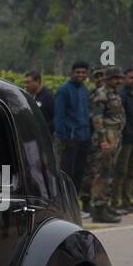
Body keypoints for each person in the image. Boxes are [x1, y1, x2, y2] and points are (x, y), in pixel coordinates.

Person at [84, 67, 125, 223]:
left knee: (108, 173)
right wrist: (102, 140)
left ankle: (104, 204)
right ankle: (98, 209)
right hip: (105, 140)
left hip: (113, 138)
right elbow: (97, 119)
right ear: (108, 79)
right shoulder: (101, 94)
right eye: (115, 78)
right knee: (101, 174)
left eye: (120, 78)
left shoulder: (113, 94)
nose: (119, 81)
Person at [54, 61, 92, 212]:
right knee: (67, 173)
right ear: (72, 73)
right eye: (78, 72)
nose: (81, 75)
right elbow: (59, 116)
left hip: (84, 137)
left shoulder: (84, 90)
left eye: (83, 73)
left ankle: (73, 205)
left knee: (79, 173)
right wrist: (64, 137)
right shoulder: (64, 90)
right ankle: (63, 204)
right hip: (70, 138)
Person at [113, 68, 133, 215]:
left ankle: (127, 201)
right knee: (121, 171)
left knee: (131, 171)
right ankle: (115, 202)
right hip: (125, 140)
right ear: (125, 78)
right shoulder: (121, 95)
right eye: (131, 77)